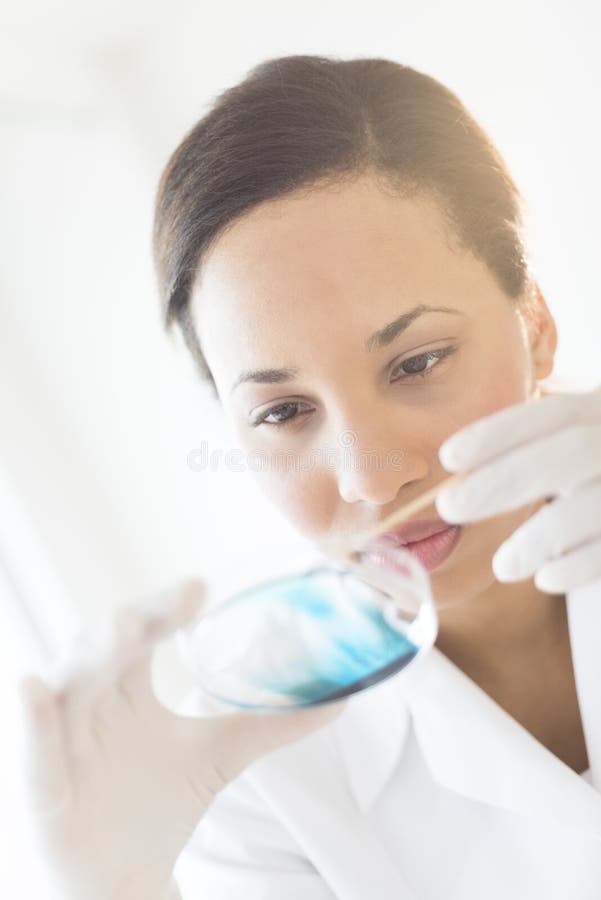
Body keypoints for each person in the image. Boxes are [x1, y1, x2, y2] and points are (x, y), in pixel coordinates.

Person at [18, 55, 601, 899]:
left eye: (418, 361)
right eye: (284, 413)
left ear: (535, 325)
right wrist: (116, 887)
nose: (371, 478)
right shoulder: (256, 790)